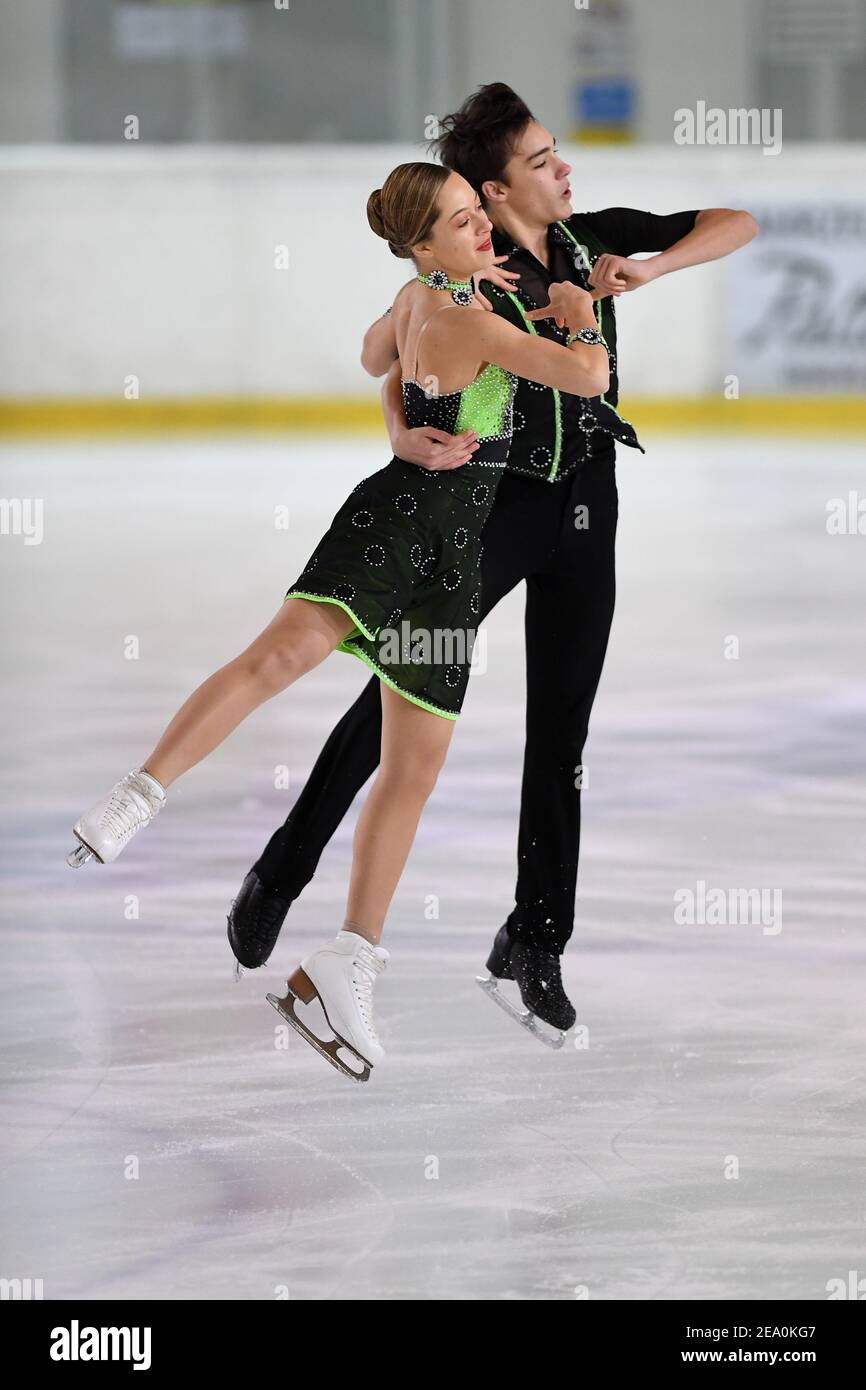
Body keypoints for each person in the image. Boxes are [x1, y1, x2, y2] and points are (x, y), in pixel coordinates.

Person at [226, 83, 758, 1046]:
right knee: (399, 693)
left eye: (558, 154)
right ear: (491, 187)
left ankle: (534, 942)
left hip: (588, 507)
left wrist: (654, 265)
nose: (564, 169)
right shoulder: (473, 257)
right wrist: (399, 428)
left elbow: (738, 220)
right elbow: (392, 355)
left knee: (564, 726)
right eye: (543, 159)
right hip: (486, 515)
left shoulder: (595, 239)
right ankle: (287, 861)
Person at [66, 159, 609, 1082]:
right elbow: (588, 379)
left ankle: (345, 965)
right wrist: (579, 312)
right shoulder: (468, 315)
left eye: (479, 212)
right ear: (420, 243)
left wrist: (401, 418)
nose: (482, 228)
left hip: (455, 557)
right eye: (461, 221)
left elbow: (374, 359)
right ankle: (137, 795)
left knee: (413, 766)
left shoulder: (420, 298)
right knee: (283, 655)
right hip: (398, 527)